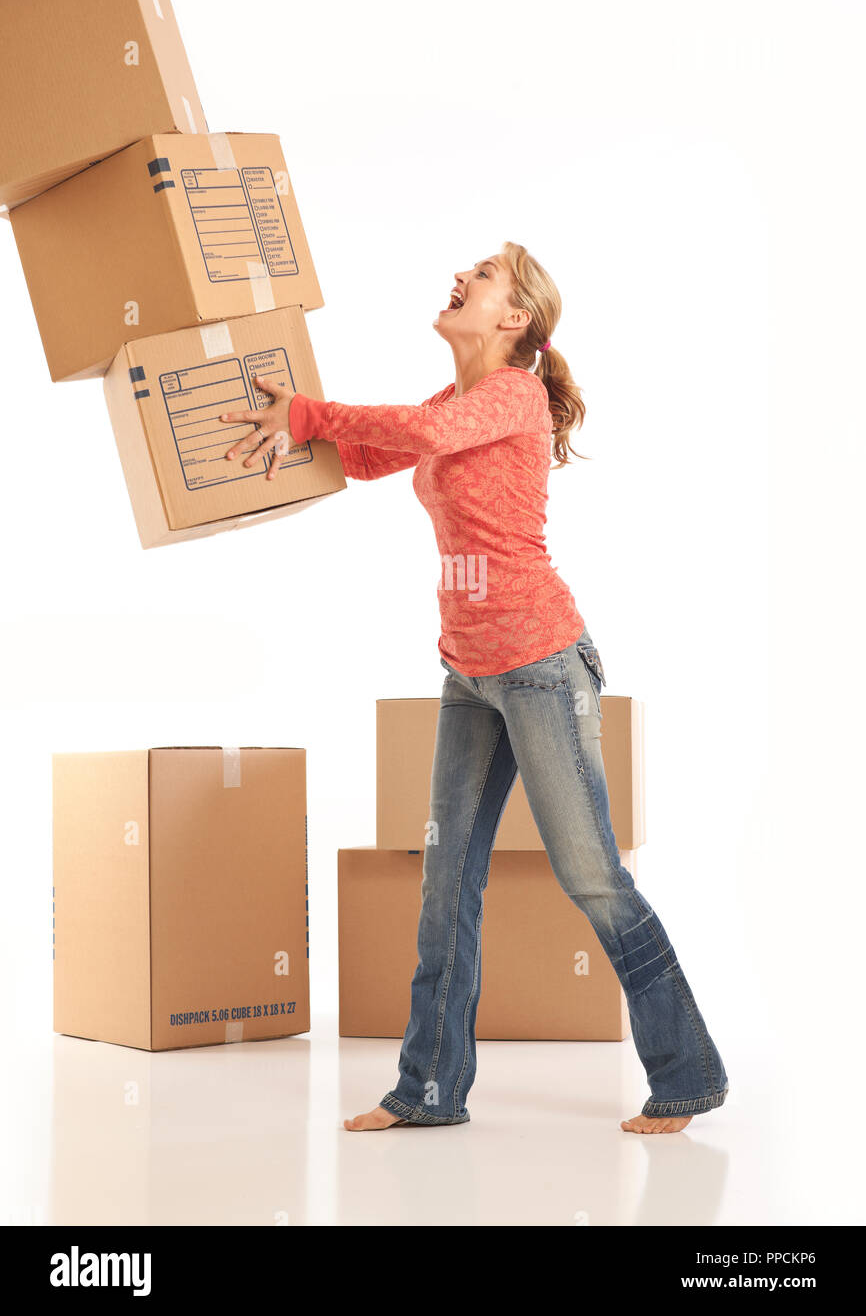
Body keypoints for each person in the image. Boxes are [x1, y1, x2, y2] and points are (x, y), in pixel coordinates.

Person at [219, 241, 729, 1135]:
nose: (464, 273)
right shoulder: (452, 400)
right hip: (468, 670)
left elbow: (421, 437)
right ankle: (429, 1087)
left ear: (514, 317)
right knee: (446, 877)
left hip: (540, 664)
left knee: (592, 876)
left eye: (486, 272)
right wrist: (287, 433)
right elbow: (382, 452)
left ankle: (687, 1071)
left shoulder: (511, 394)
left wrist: (309, 411)